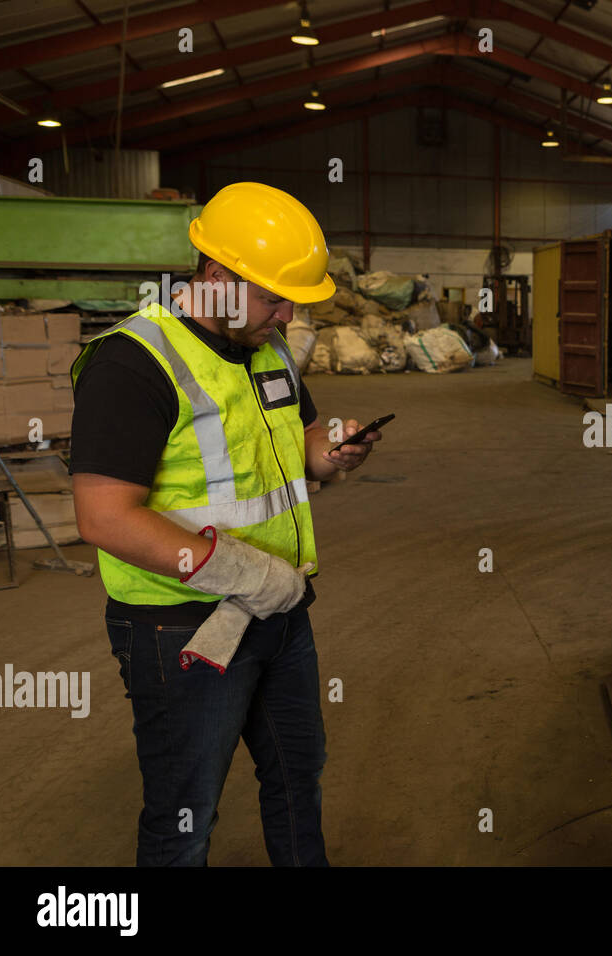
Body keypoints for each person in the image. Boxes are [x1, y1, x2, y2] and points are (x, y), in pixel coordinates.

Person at [69, 182, 380, 866]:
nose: (286, 313)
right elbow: (102, 516)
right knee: (185, 817)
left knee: (300, 778)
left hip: (281, 611)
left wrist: (334, 451)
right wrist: (245, 573)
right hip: (184, 628)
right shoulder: (133, 363)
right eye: (274, 297)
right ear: (215, 277)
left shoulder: (264, 350)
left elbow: (298, 445)